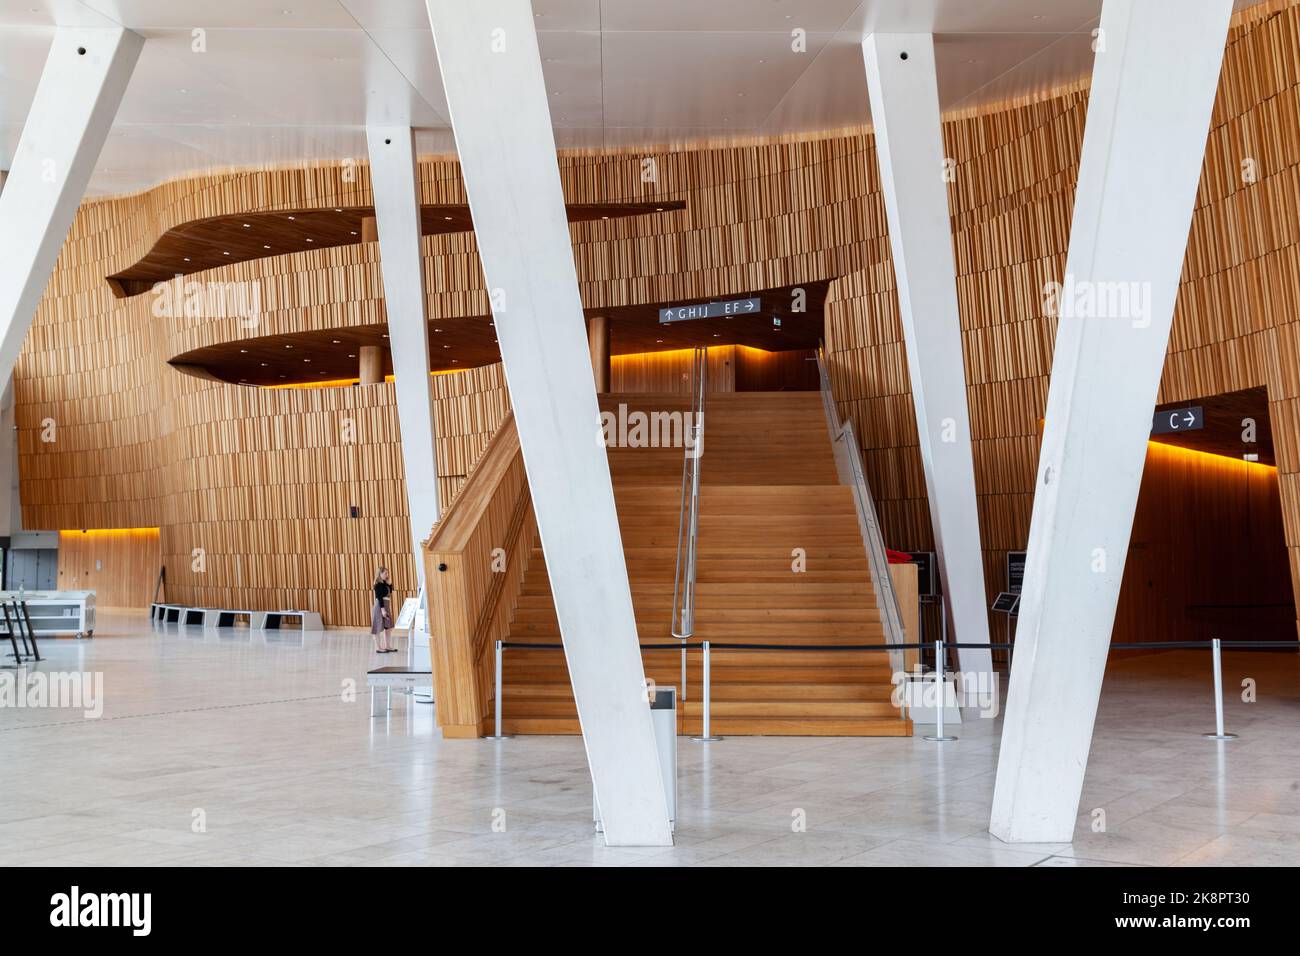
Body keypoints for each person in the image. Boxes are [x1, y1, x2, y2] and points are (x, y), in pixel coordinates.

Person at [371, 567, 396, 653]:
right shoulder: (378, 584)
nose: (387, 575)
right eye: (385, 573)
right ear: (380, 574)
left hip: (386, 606)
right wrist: (383, 610)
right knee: (378, 627)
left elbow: (390, 592)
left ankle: (387, 646)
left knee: (388, 627)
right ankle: (378, 647)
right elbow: (379, 598)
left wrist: (389, 583)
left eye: (387, 573)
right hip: (380, 607)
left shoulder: (385, 583)